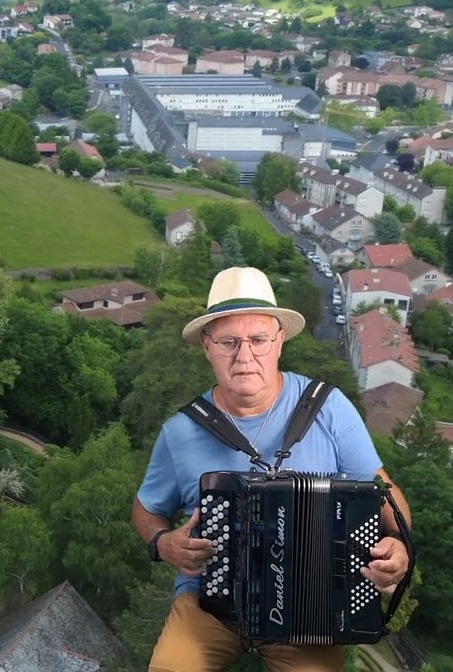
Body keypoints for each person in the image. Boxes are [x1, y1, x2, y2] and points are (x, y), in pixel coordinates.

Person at [132, 266, 412, 672]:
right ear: (207, 346)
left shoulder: (328, 409)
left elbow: (389, 498)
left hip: (310, 606)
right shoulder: (181, 431)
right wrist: (162, 543)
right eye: (228, 341)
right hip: (209, 603)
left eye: (258, 339)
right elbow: (145, 507)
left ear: (279, 341)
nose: (244, 356)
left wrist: (399, 548)